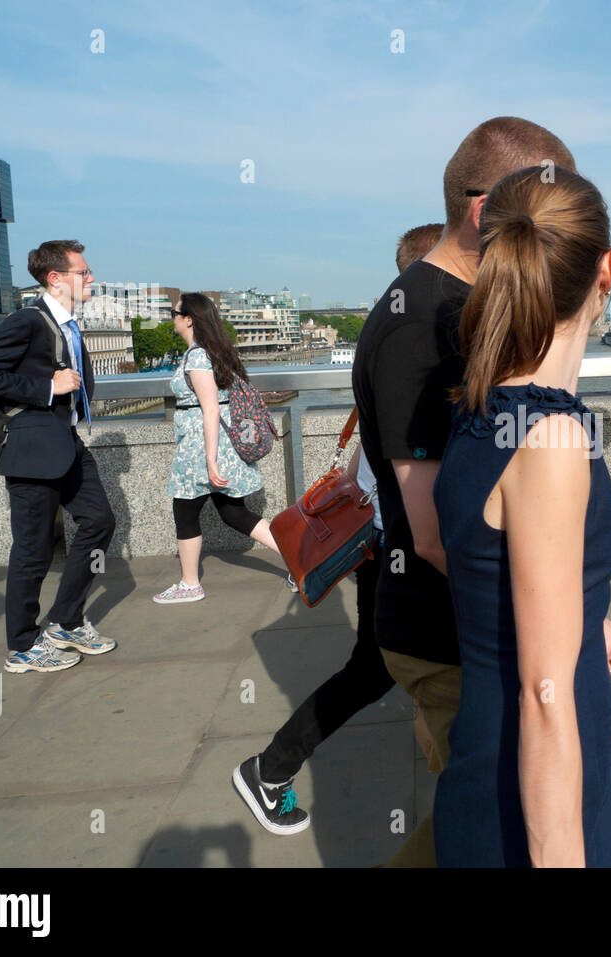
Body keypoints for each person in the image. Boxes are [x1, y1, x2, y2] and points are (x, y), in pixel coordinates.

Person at [434, 164, 611, 867]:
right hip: (539, 782)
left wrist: (580, 611)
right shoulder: (549, 438)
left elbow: (485, 556)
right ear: (608, 268)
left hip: (534, 751)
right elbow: (544, 696)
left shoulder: (482, 404)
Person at [352, 117, 579, 866]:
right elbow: (429, 527)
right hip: (442, 630)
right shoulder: (423, 323)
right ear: (486, 214)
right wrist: (553, 614)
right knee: (495, 819)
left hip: (449, 626)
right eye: (545, 211)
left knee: (471, 811)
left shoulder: (451, 308)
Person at [232, 231, 445, 835]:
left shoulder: (385, 328)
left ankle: (274, 767)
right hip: (399, 540)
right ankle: (270, 768)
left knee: (383, 664)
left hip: (386, 537)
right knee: (381, 666)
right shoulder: (416, 336)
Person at [0, 240, 117, 673]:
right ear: (55, 278)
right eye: (82, 272)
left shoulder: (67, 323)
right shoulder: (29, 321)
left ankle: (65, 620)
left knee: (100, 520)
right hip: (31, 450)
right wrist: (48, 387)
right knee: (32, 550)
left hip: (66, 443)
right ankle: (23, 646)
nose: (91, 278)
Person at [153, 293, 294, 603]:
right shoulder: (211, 352)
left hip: (201, 450)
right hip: (220, 445)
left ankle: (190, 584)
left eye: (174, 313)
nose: (171, 318)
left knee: (185, 511)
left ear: (189, 318)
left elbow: (211, 409)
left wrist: (210, 461)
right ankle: (301, 560)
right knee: (234, 513)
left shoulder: (197, 356)